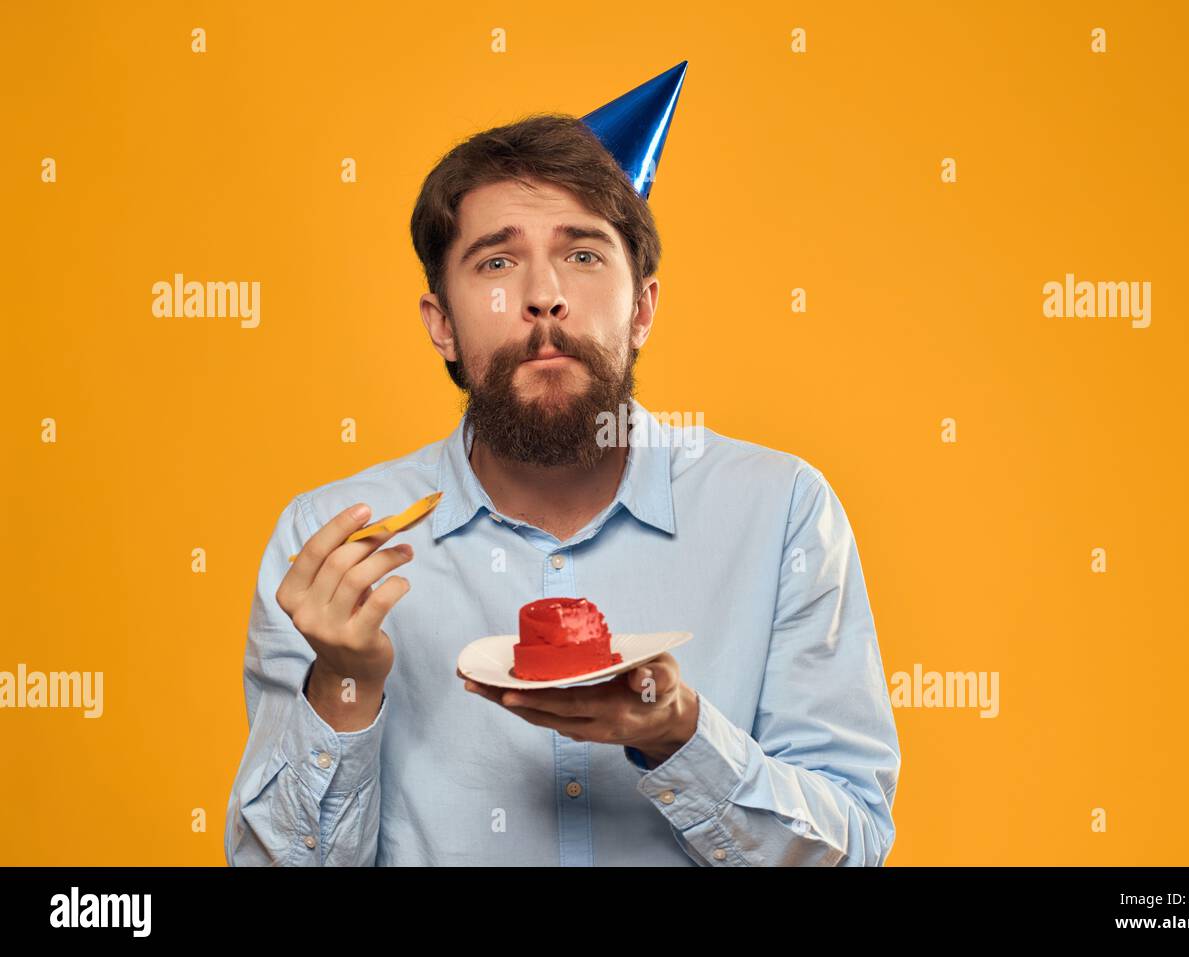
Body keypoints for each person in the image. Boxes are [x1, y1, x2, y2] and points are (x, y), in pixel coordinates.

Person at [223, 65, 900, 866]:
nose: (544, 295)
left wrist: (683, 735)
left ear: (642, 306)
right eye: (497, 264)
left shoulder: (783, 510)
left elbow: (853, 847)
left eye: (582, 254)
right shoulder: (333, 549)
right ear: (441, 324)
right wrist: (344, 684)